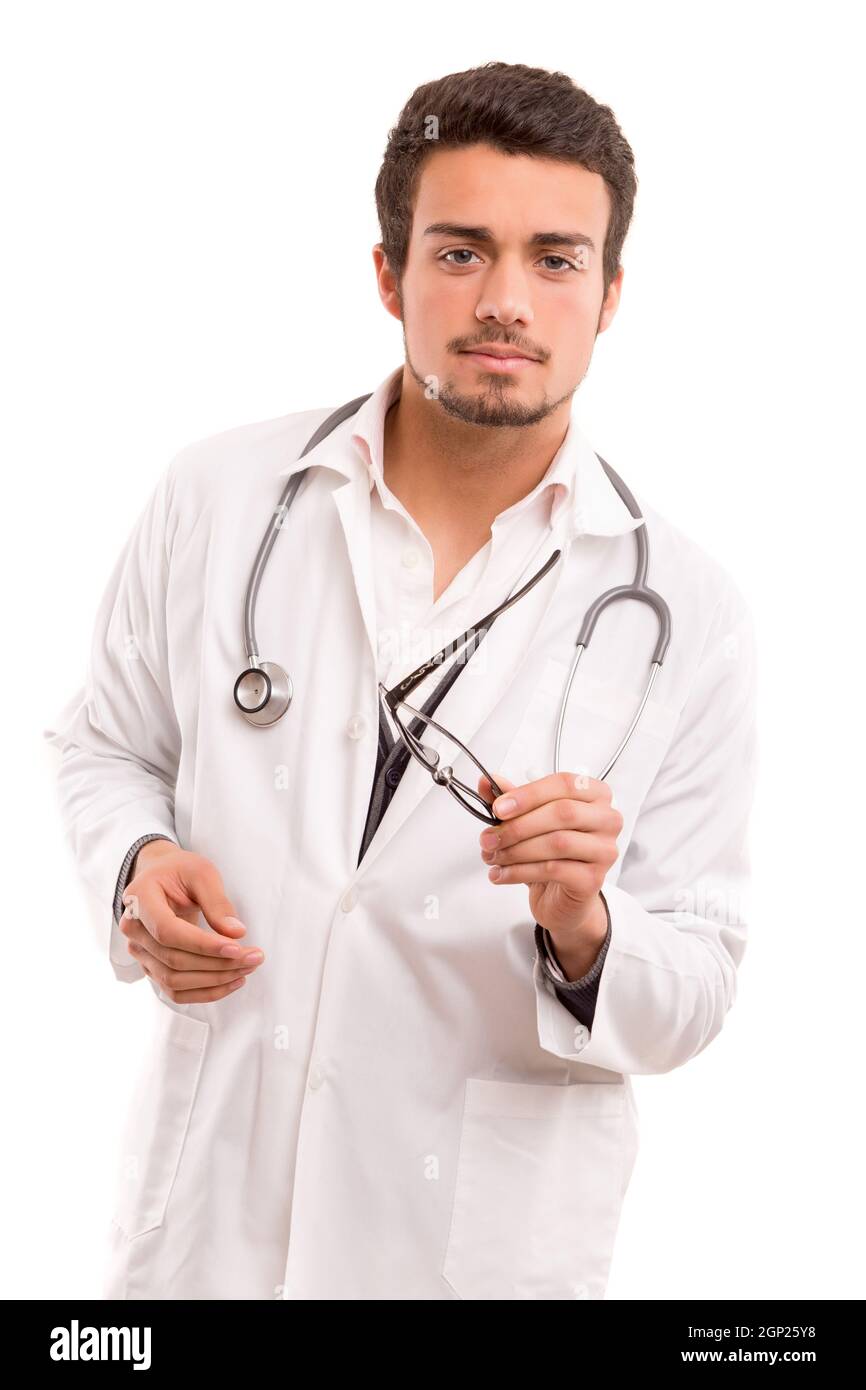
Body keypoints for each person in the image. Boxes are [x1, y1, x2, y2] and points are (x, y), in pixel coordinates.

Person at [43, 60, 757, 1301]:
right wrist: (136, 865)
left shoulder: (685, 613)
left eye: (554, 259)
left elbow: (695, 982)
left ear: (609, 295)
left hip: (470, 1262)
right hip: (203, 1243)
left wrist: (586, 926)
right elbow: (103, 743)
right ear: (389, 273)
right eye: (459, 251)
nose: (505, 302)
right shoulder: (218, 497)